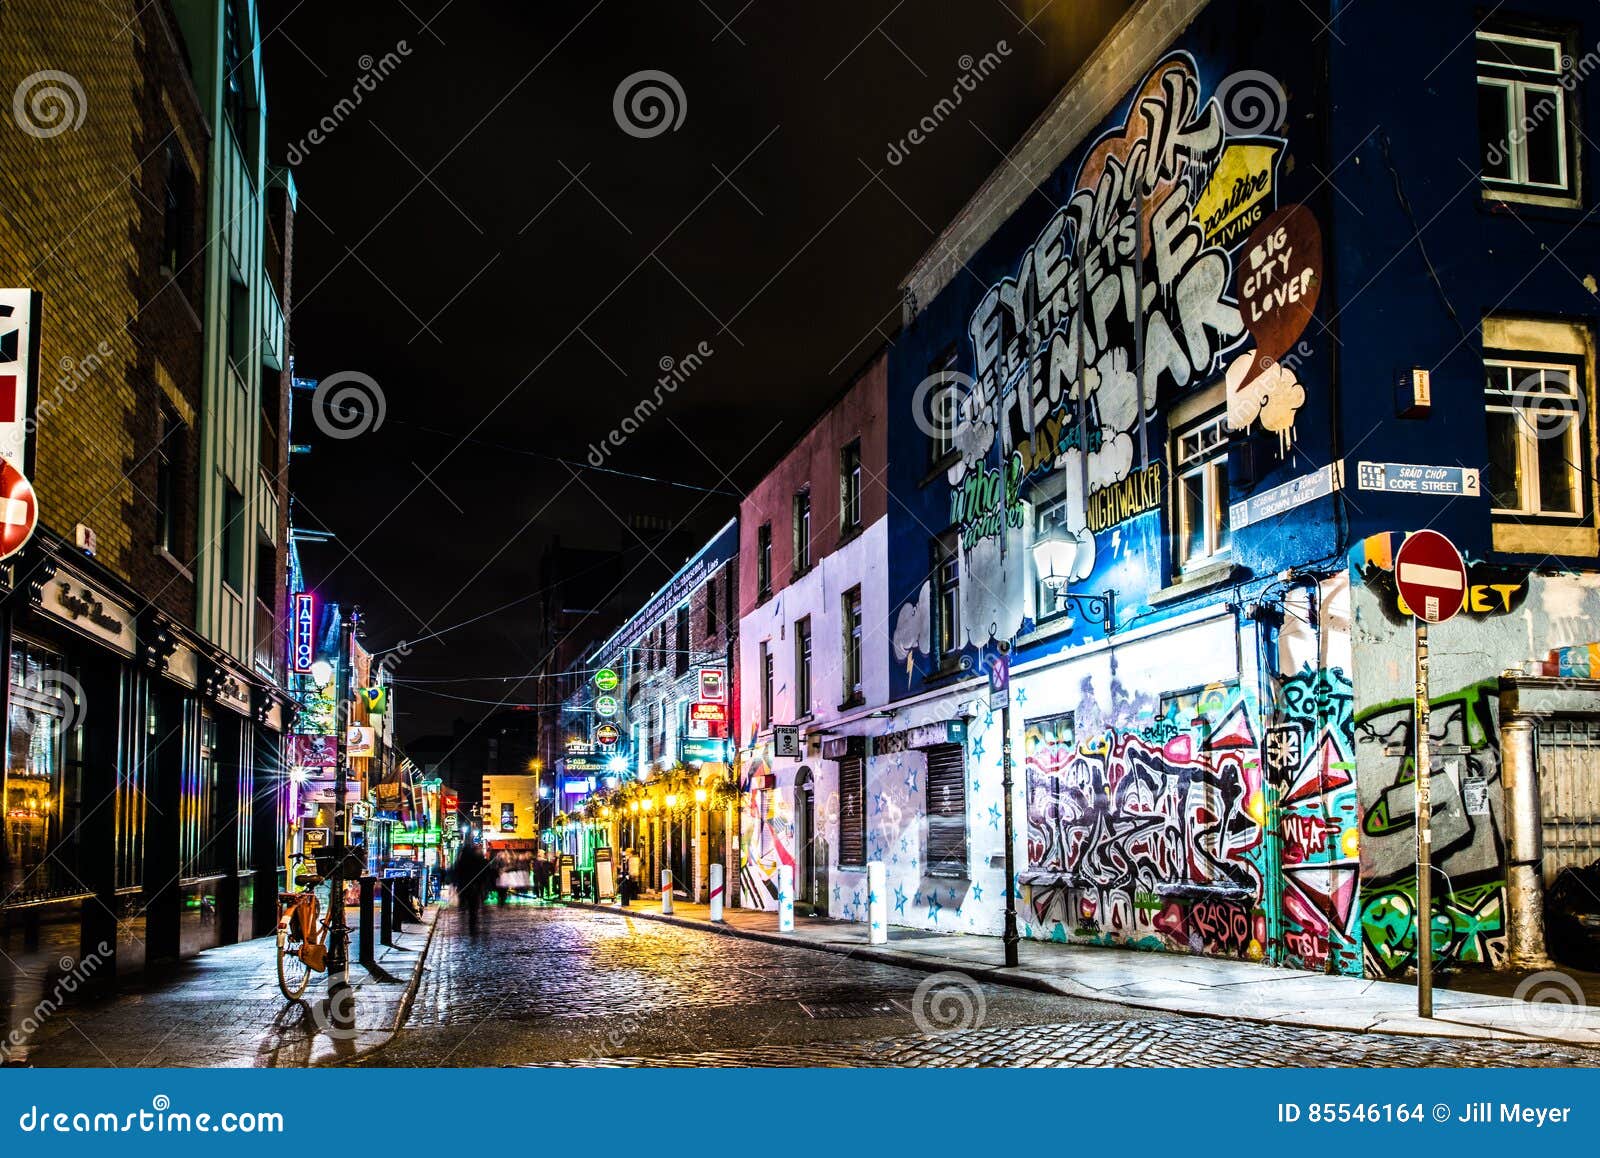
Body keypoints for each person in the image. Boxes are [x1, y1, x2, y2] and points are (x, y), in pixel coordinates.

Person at [451, 841, 491, 932]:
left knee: (466, 902)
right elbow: (483, 872)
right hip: (474, 886)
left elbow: (456, 872)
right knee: (473, 906)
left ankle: (466, 915)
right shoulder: (477, 860)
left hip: (465, 885)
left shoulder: (462, 861)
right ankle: (472, 923)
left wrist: (455, 883)